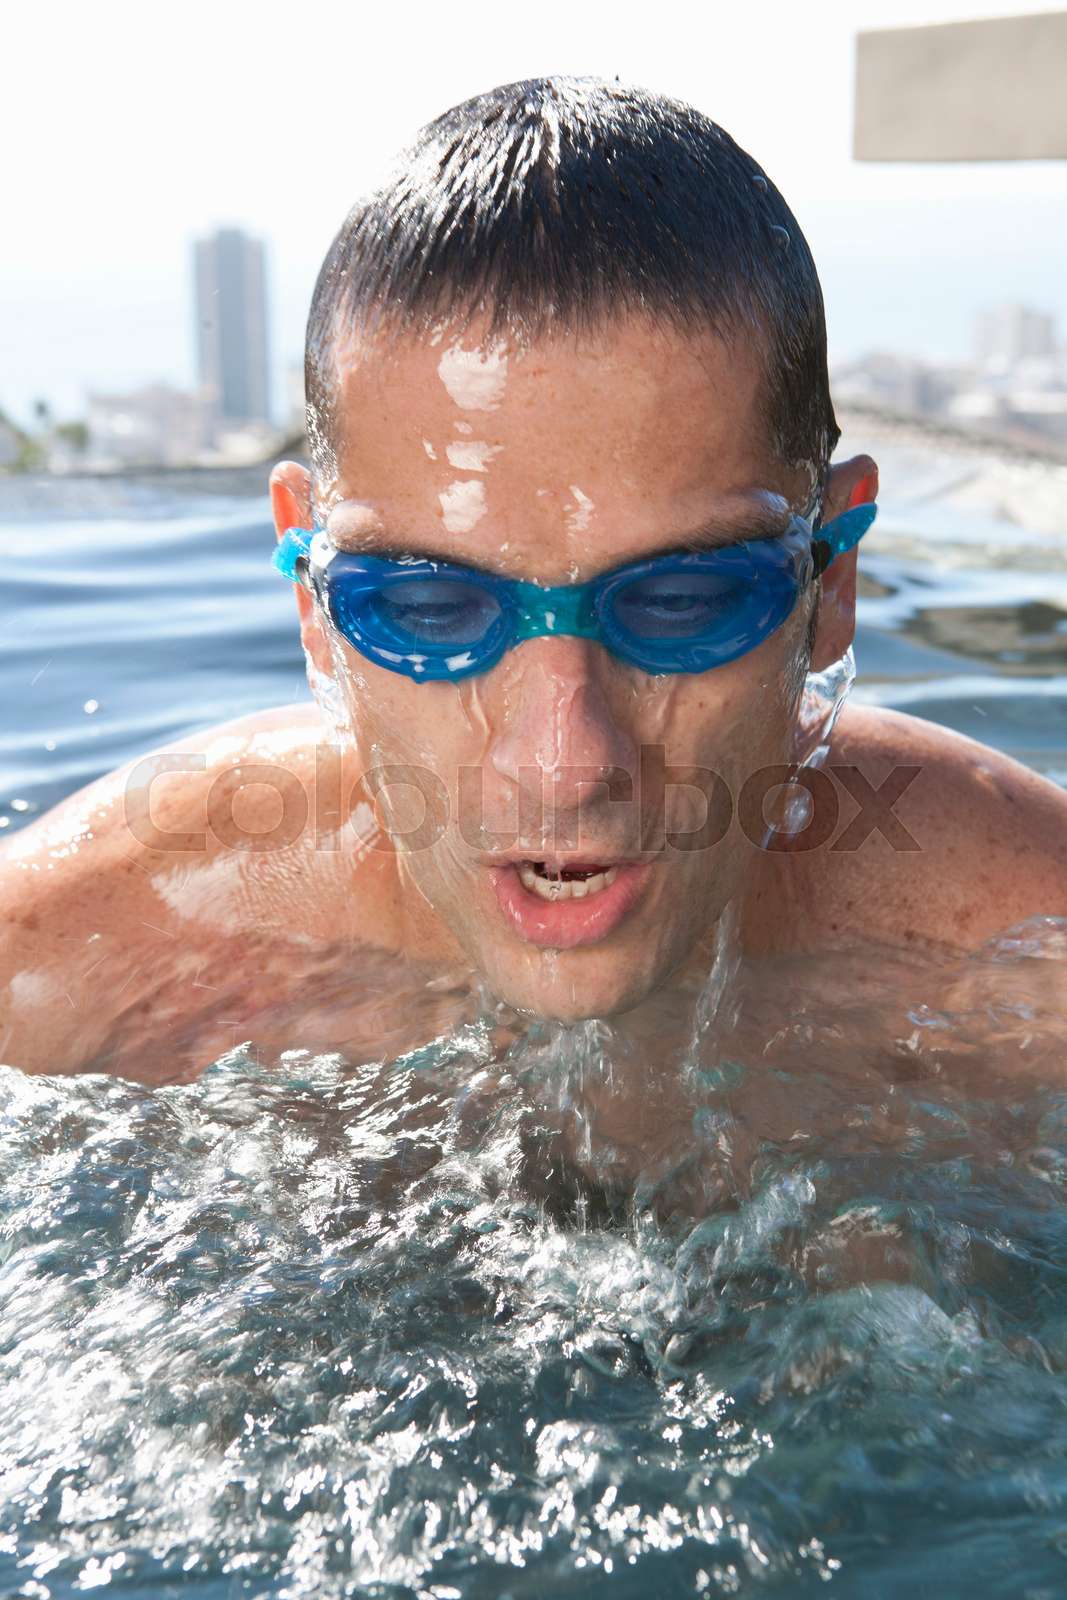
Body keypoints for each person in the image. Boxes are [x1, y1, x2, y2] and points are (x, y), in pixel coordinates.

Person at [2, 76, 1066, 1086]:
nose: (564, 767)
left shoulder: (1021, 939)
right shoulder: (71, 960)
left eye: (680, 602)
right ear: (310, 600)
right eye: (426, 607)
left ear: (828, 579)